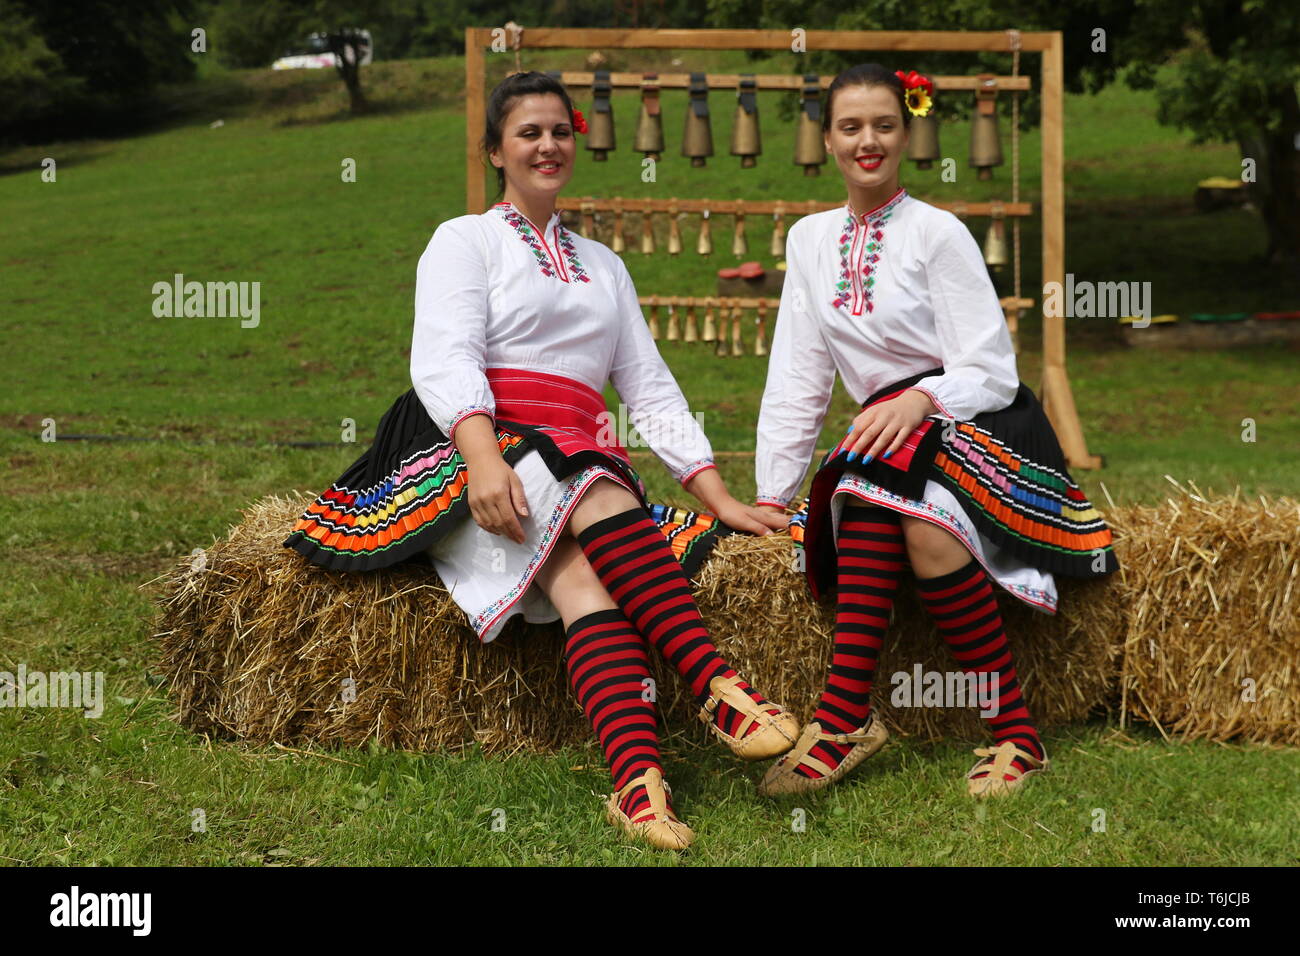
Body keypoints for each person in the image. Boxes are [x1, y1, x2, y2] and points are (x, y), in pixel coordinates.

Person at [284, 71, 796, 850]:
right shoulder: (465, 240)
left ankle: (637, 788)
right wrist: (485, 459)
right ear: (497, 150)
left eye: (560, 131)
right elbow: (446, 356)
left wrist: (715, 491)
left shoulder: (604, 265)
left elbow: (649, 386)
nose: (548, 145)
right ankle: (717, 684)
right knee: (588, 485)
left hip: (569, 457)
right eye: (529, 133)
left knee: (586, 574)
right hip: (465, 446)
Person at [753, 64, 1120, 799]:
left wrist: (922, 398)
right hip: (889, 440)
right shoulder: (808, 239)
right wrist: (773, 493)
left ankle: (994, 733)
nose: (868, 141)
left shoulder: (938, 232)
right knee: (879, 495)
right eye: (851, 127)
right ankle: (864, 720)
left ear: (907, 133)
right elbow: (798, 372)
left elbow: (989, 368)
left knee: (887, 494)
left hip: (978, 417)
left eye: (884, 126)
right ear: (826, 139)